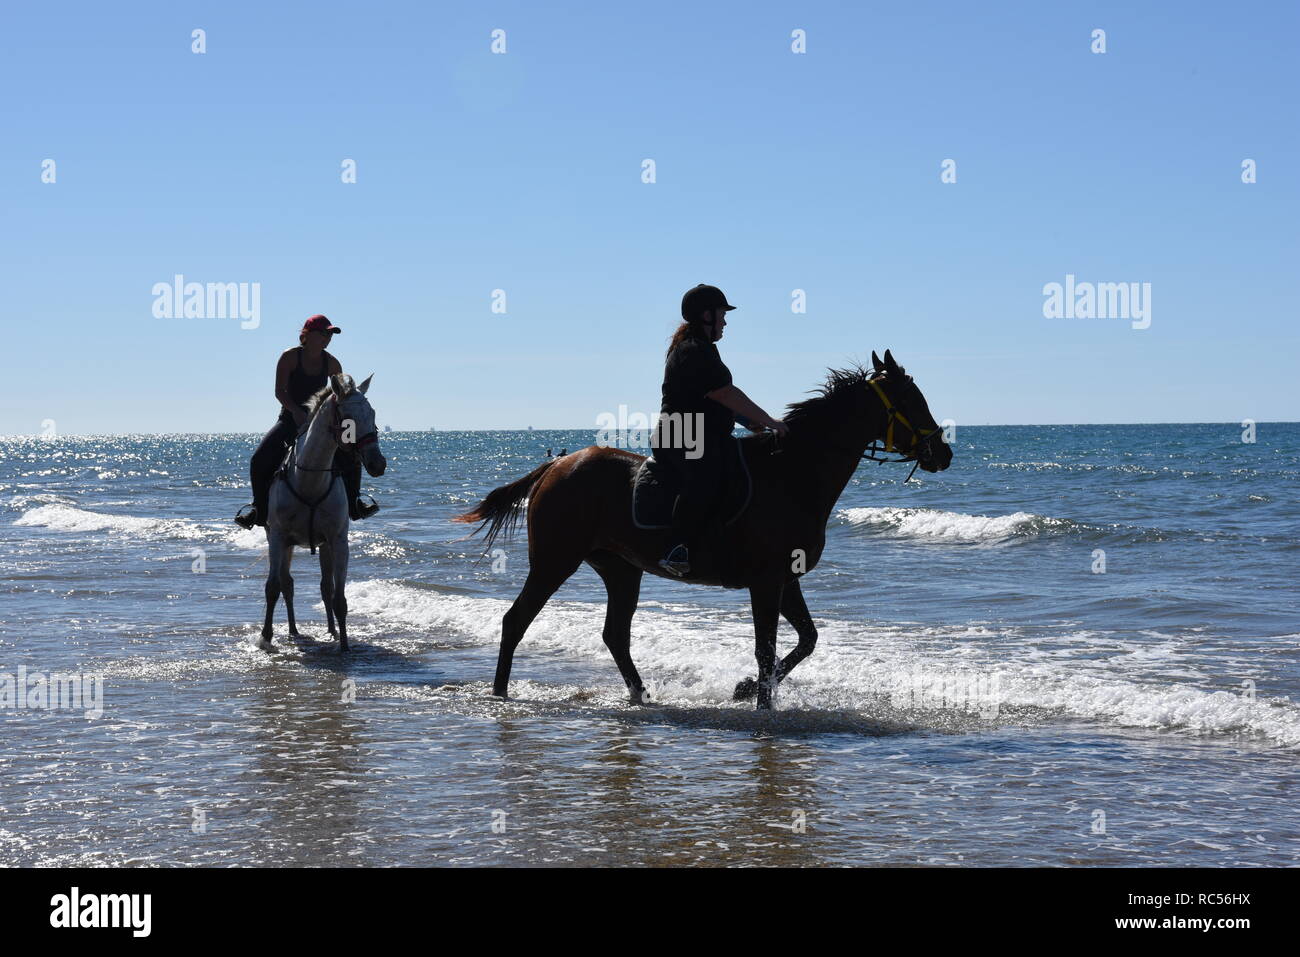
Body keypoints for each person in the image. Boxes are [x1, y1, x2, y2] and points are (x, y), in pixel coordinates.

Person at [654, 285, 788, 577]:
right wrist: (771, 422)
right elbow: (726, 394)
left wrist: (747, 421)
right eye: (722, 315)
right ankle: (675, 549)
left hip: (701, 434)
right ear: (706, 316)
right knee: (705, 476)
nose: (725, 322)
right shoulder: (692, 351)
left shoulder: (703, 349)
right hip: (679, 435)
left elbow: (714, 398)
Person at [234, 315, 378, 529]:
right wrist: (295, 411)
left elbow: (342, 395)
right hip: (290, 419)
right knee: (259, 459)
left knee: (351, 455)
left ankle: (355, 503)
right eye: (323, 333)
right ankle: (258, 509)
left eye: (330, 335)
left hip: (323, 422)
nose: (327, 338)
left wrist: (342, 426)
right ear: (307, 334)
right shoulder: (290, 357)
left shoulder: (332, 362)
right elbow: (279, 391)